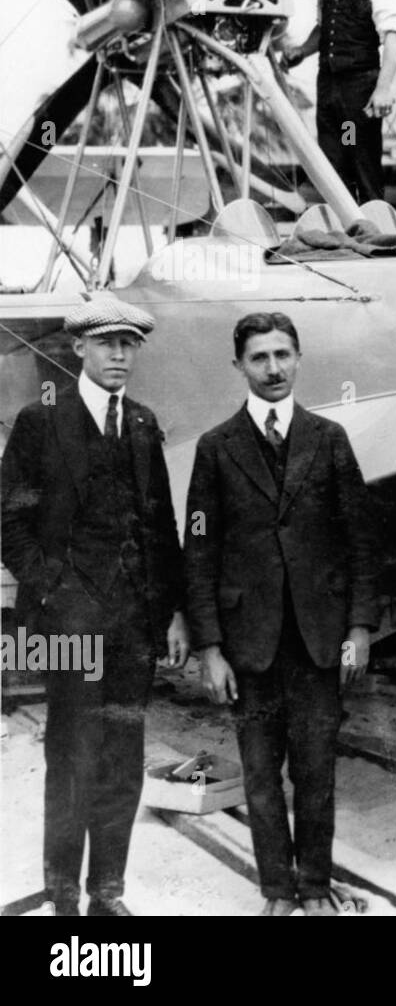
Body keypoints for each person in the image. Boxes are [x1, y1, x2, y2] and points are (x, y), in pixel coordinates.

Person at [184, 313, 378, 916]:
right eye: (260, 357)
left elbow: (360, 541)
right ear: (238, 364)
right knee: (261, 774)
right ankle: (276, 889)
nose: (273, 368)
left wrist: (360, 627)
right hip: (250, 644)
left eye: (283, 354)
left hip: (320, 639)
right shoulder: (216, 448)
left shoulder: (330, 439)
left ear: (299, 358)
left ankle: (315, 885)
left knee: (317, 771)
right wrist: (210, 649)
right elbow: (200, 553)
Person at [1, 294, 188, 916]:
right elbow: (10, 521)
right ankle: (62, 892)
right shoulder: (39, 421)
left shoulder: (140, 423)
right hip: (67, 624)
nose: (119, 354)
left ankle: (108, 891)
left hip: (133, 624)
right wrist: (52, 589)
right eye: (107, 342)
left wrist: (171, 611)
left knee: (122, 758)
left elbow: (161, 526)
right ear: (79, 347)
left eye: (129, 343)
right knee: (72, 754)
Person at [281, 0, 396, 204]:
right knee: (332, 162)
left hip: (358, 90)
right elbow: (323, 31)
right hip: (329, 88)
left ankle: (375, 231)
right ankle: (343, 232)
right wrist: (300, 51)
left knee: (360, 157)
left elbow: (393, 37)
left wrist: (384, 88)